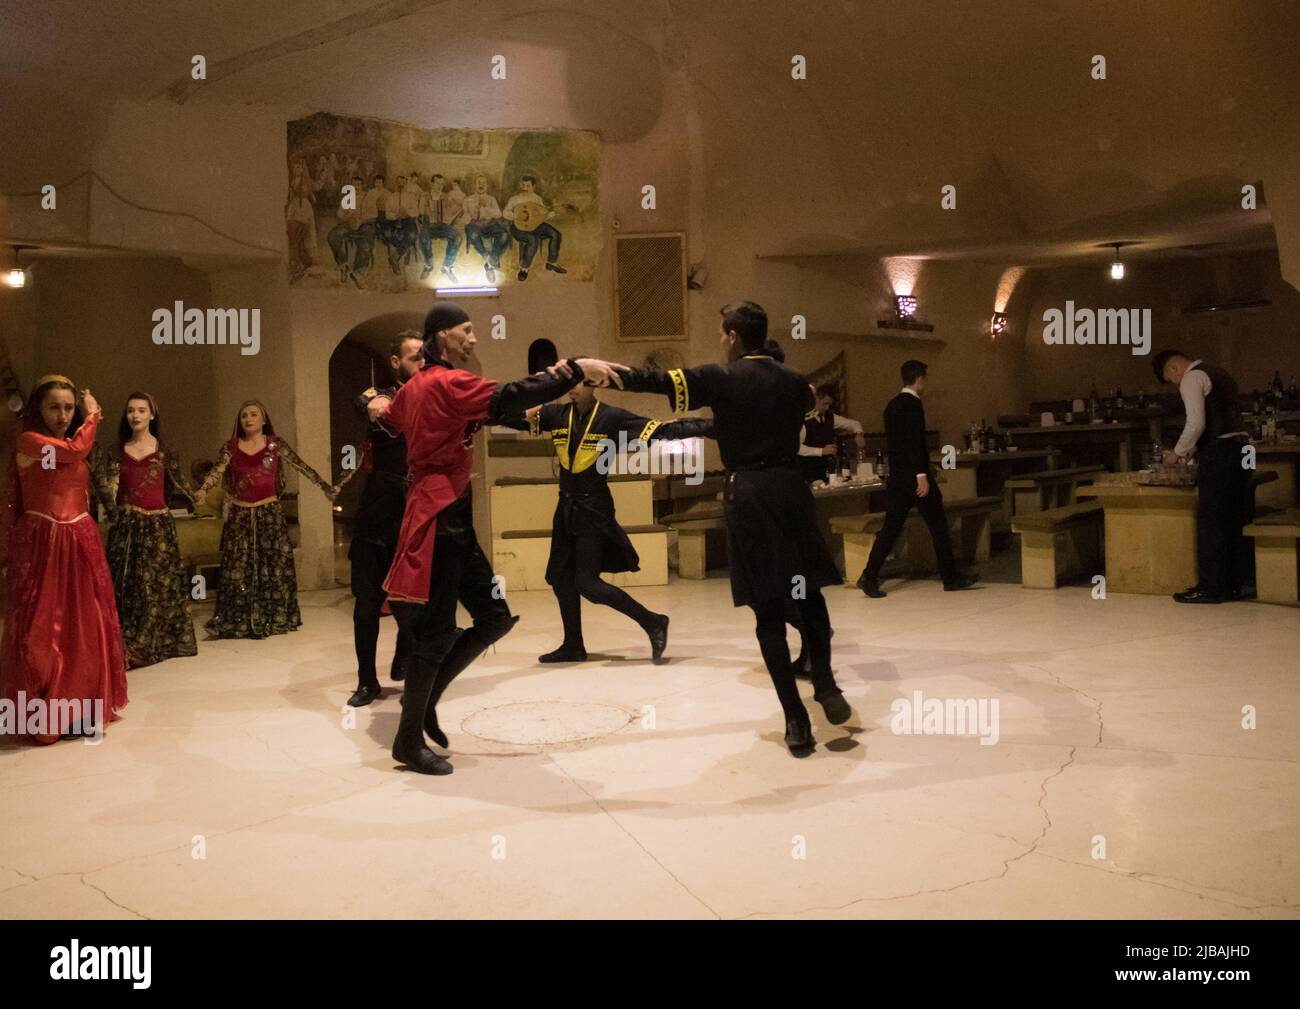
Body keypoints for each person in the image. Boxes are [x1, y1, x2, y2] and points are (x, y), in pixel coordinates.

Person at [370, 302, 624, 774]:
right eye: (466, 331)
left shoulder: (417, 386)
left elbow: (396, 415)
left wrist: (377, 401)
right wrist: (574, 370)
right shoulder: (448, 382)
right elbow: (509, 396)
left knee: (493, 616)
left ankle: (425, 703)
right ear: (442, 336)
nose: (473, 338)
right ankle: (409, 738)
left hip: (447, 511)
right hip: (442, 513)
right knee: (437, 633)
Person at [617, 302, 853, 758]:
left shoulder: (722, 379)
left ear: (731, 336)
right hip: (791, 490)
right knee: (810, 596)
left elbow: (658, 381)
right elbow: (795, 409)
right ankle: (823, 682)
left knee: (767, 612)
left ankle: (795, 720)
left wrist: (606, 372)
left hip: (748, 495)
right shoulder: (795, 384)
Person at [500, 381, 712, 663]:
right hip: (566, 507)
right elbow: (510, 419)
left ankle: (653, 621)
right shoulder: (556, 414)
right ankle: (573, 645)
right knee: (560, 577)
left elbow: (661, 430)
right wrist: (488, 409)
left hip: (593, 508)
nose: (572, 389)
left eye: (580, 383)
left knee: (587, 583)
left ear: (594, 386)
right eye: (569, 382)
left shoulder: (612, 418)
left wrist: (712, 426)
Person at [1, 378, 127, 742]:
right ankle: (44, 712)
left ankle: (78, 708)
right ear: (39, 408)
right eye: (54, 407)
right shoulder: (30, 441)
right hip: (42, 541)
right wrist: (94, 415)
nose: (62, 414)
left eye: (69, 408)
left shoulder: (68, 444)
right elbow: (73, 450)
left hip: (79, 539)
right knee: (40, 628)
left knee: (83, 627)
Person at [194, 401, 339, 639]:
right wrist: (202, 489)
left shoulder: (275, 444)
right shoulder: (231, 447)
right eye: (244, 416)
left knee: (272, 565)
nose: (248, 419)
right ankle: (239, 616)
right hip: (240, 516)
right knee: (238, 567)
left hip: (269, 513)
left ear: (263, 420)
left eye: (254, 414)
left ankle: (273, 613)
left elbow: (301, 466)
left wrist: (325, 486)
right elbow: (216, 472)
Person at [338, 332, 422, 707]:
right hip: (376, 512)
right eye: (414, 356)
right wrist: (383, 400)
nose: (421, 362)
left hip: (414, 513)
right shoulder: (379, 394)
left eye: (425, 357)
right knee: (366, 602)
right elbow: (364, 403)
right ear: (395, 362)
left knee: (414, 600)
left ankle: (406, 657)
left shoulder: (433, 397)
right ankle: (367, 681)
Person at [92, 392, 199, 669]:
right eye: (130, 410)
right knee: (128, 587)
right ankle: (127, 642)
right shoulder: (116, 452)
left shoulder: (165, 452)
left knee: (156, 586)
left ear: (152, 414)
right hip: (127, 528)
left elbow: (180, 488)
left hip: (157, 527)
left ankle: (154, 641)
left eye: (141, 410)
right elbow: (108, 492)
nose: (135, 415)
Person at [855, 360, 978, 597]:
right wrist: (922, 475)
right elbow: (914, 443)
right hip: (915, 477)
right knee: (939, 526)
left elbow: (897, 444)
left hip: (898, 477)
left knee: (891, 528)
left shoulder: (891, 406)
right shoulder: (913, 405)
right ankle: (950, 577)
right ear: (920, 379)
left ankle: (868, 576)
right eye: (925, 379)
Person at [1153, 349, 1251, 603]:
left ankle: (1210, 588)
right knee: (1232, 518)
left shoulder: (1192, 377)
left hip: (1219, 455)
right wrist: (1195, 447)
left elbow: (1196, 423)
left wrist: (1176, 453)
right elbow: (1222, 420)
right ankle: (1232, 585)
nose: (1175, 384)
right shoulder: (1221, 374)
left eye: (1170, 379)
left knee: (1210, 520)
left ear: (1174, 368)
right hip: (1240, 450)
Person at [503, 175, 566, 282]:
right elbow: (505, 212)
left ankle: (551, 262)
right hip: (518, 228)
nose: (525, 188)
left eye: (528, 185)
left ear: (533, 186)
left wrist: (550, 215)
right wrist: (515, 216)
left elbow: (541, 215)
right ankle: (524, 268)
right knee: (533, 239)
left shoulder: (537, 198)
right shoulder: (514, 199)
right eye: (523, 185)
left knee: (555, 234)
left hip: (535, 226)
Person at [799, 384, 865, 484]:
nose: (827, 408)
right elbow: (796, 447)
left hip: (827, 472)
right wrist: (821, 451)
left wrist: (858, 433)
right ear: (816, 399)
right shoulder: (803, 420)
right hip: (808, 473)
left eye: (829, 404)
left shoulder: (830, 417)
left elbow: (853, 424)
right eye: (825, 404)